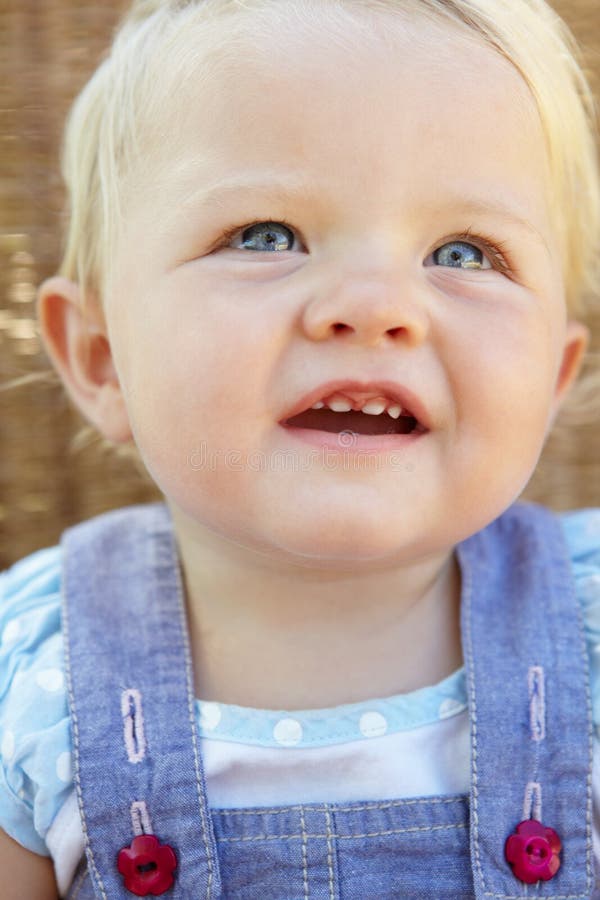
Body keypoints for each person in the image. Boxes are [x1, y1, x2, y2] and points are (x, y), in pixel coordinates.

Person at [1, 0, 600, 896]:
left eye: (466, 252)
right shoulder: (30, 668)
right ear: (101, 359)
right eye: (265, 237)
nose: (373, 303)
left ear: (551, 380)